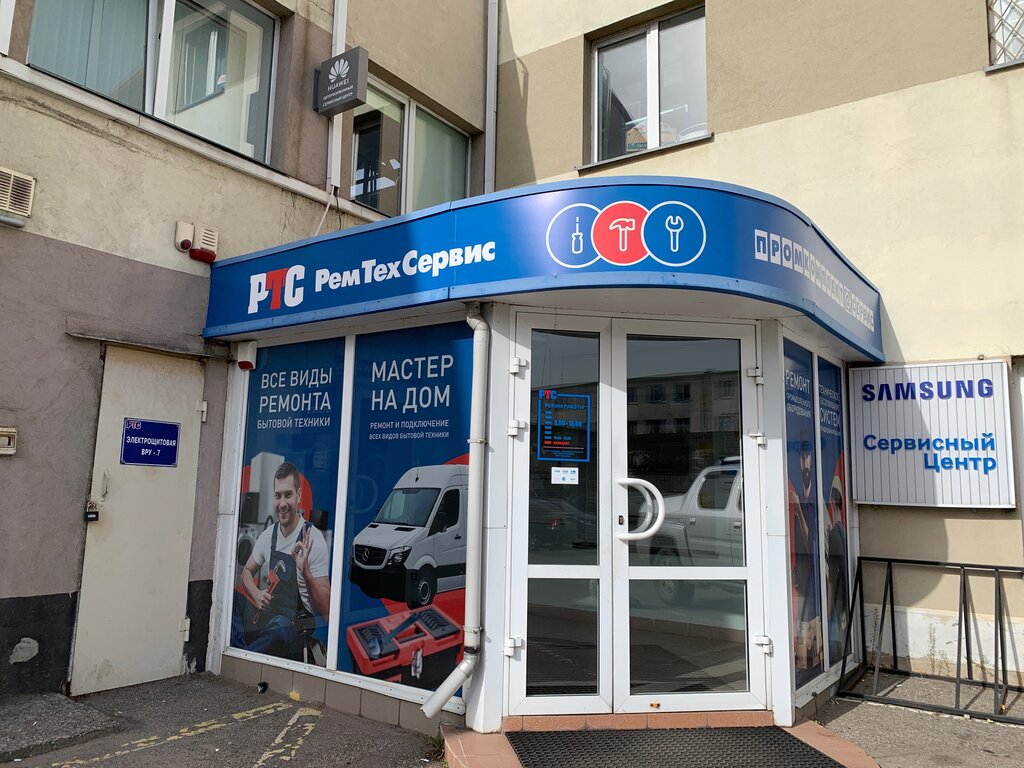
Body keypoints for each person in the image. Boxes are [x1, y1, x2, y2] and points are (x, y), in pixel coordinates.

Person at [231, 461, 331, 661]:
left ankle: (246, 658)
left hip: (293, 625)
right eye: (278, 496)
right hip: (267, 618)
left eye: (288, 495)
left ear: (299, 496)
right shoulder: (269, 535)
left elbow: (327, 610)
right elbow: (246, 573)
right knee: (232, 598)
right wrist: (256, 594)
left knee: (281, 628)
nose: (282, 503)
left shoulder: (312, 538)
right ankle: (247, 654)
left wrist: (306, 573)